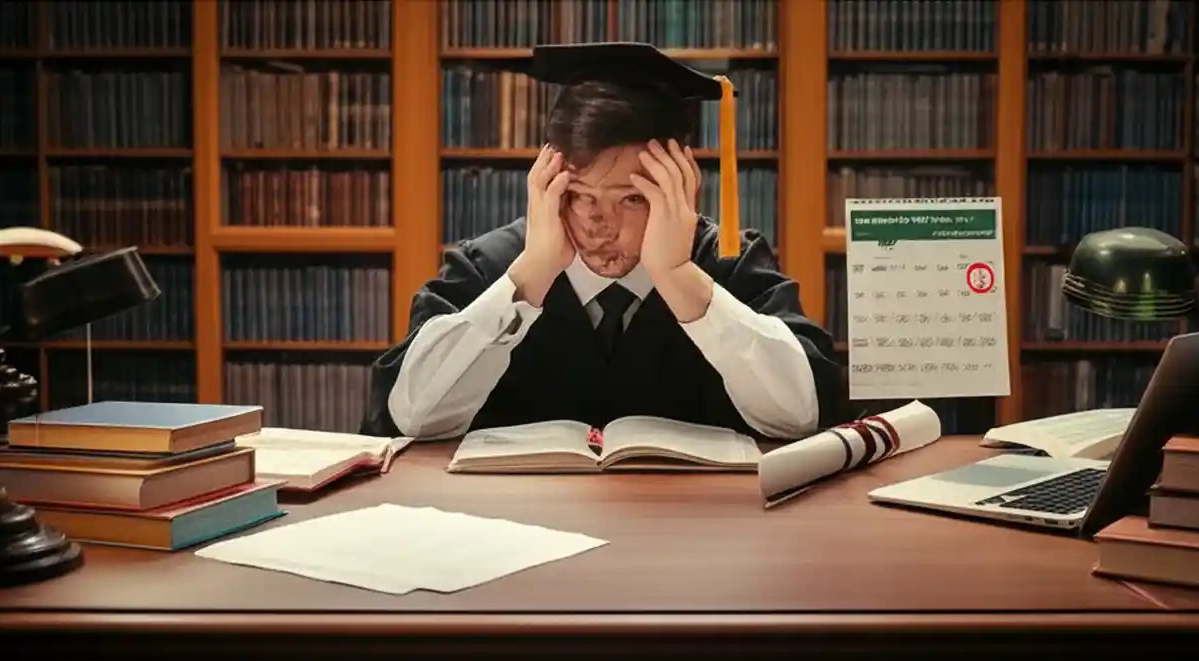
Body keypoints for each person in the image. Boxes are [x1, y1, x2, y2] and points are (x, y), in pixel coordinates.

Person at [362, 42, 845, 441]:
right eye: (577, 195)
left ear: (680, 185)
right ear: (546, 181)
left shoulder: (727, 266)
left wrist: (679, 278)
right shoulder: (490, 267)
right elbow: (411, 418)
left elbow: (800, 416)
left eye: (631, 199)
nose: (598, 223)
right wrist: (530, 277)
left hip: (688, 539)